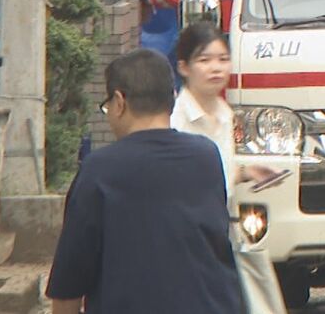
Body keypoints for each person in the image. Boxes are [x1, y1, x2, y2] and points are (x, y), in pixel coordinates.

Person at [46, 48, 243, 313]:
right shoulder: (206, 156)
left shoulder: (100, 169)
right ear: (172, 98)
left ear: (119, 102)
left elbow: (69, 285)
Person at [172, 23, 288, 314]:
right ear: (183, 67)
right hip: (187, 240)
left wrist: (246, 172)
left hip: (222, 236)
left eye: (223, 59)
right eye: (204, 60)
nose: (216, 68)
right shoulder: (176, 120)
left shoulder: (224, 114)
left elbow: (218, 177)